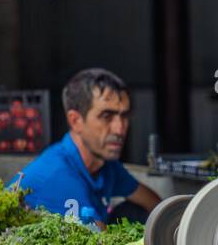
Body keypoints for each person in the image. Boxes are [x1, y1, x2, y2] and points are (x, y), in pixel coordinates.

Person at [11, 68, 158, 225]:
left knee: (137, 213)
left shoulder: (105, 165)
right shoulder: (59, 175)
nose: (120, 129)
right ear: (75, 121)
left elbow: (155, 204)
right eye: (106, 116)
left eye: (124, 116)